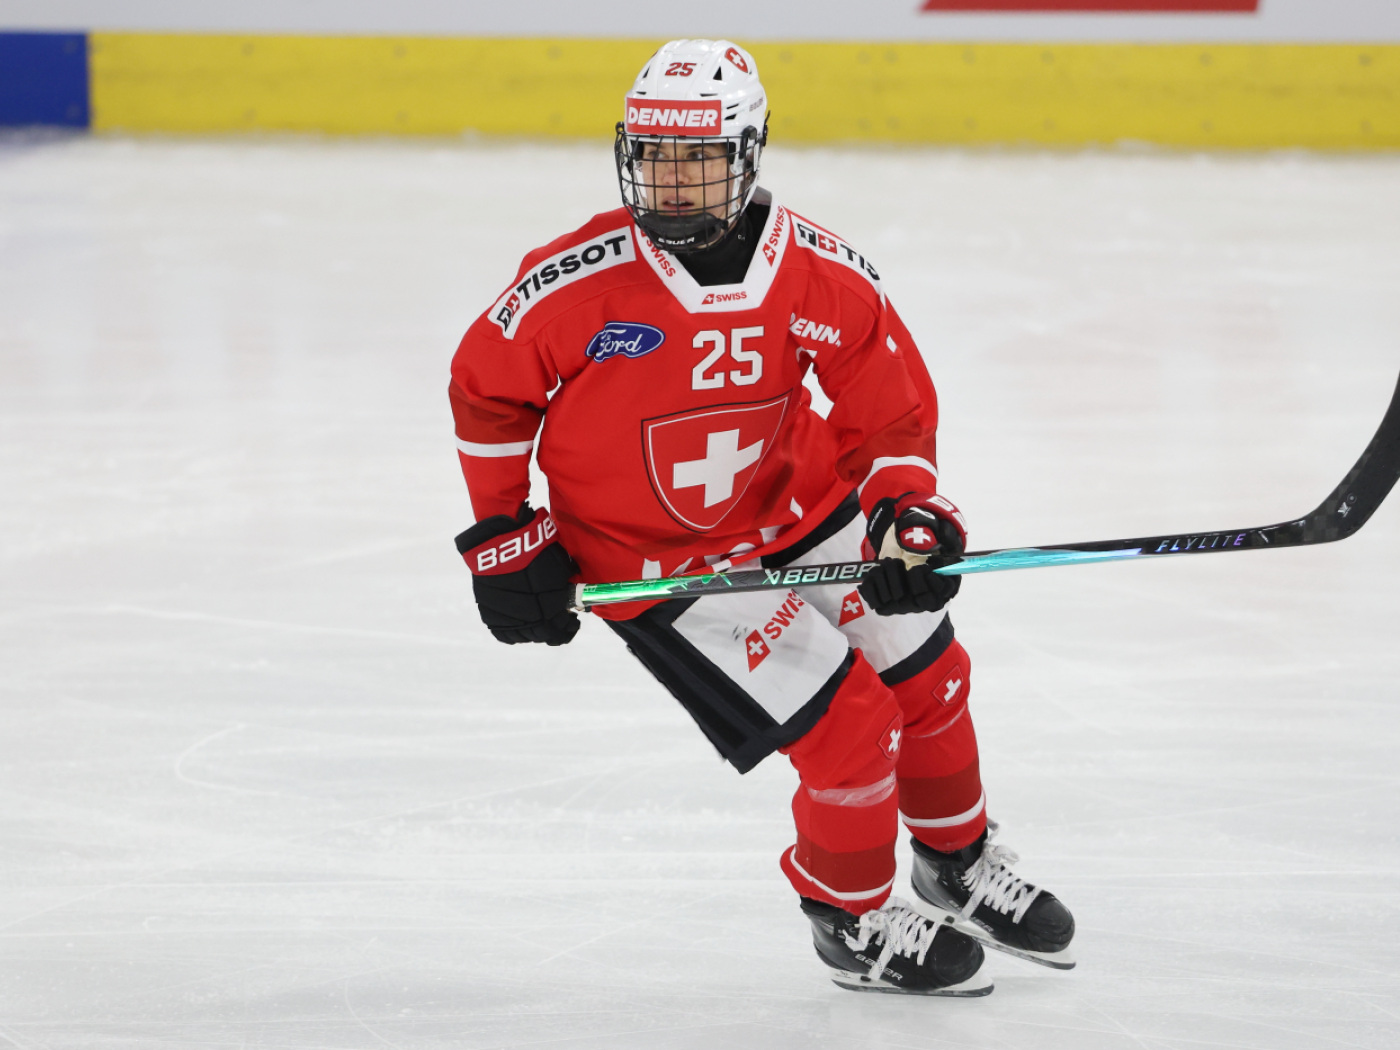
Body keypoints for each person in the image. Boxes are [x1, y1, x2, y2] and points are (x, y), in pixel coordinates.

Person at [449, 38, 1074, 995]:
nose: (675, 181)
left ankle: (955, 860)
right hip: (657, 564)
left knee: (932, 677)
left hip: (804, 511)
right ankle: (851, 920)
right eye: (656, 157)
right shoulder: (569, 282)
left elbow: (886, 409)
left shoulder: (822, 273)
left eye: (699, 158)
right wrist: (502, 538)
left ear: (748, 151)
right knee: (850, 729)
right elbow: (488, 393)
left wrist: (907, 514)